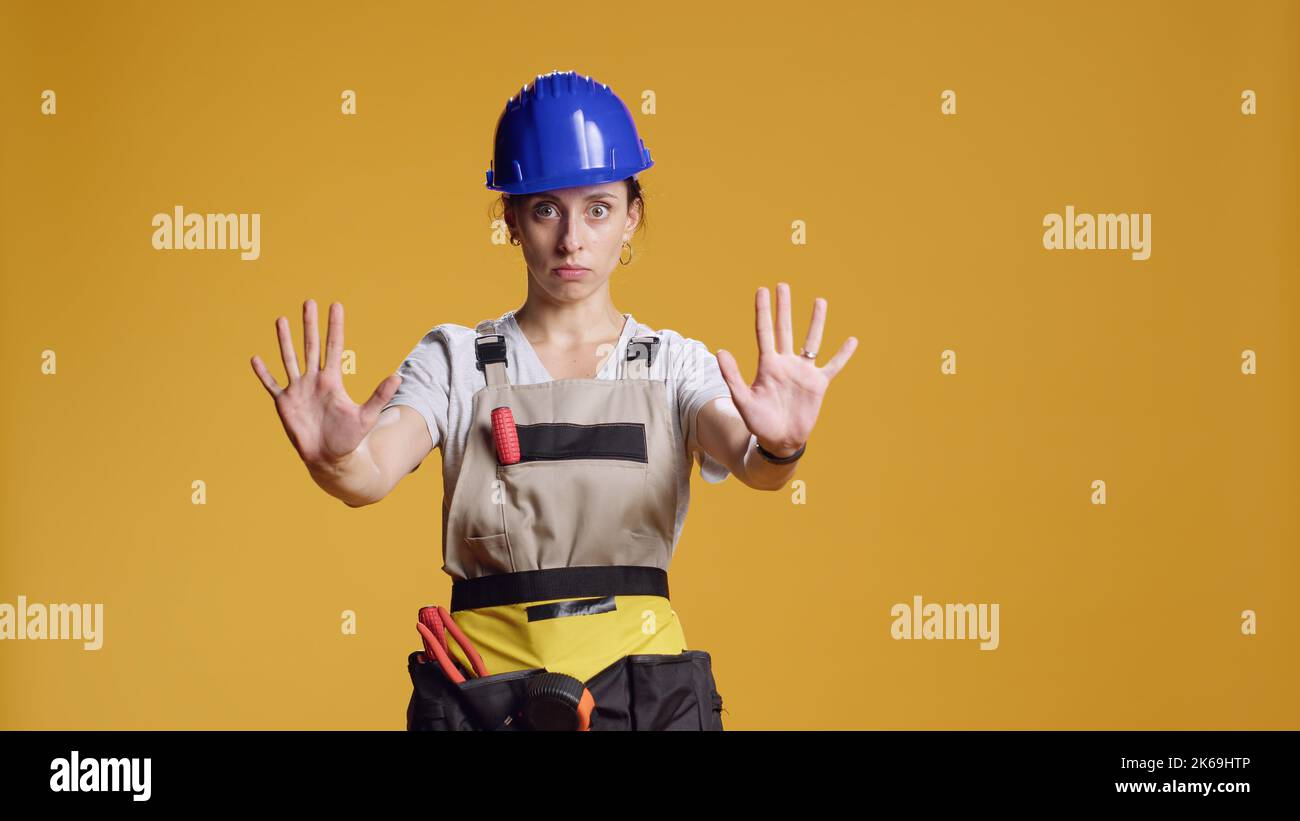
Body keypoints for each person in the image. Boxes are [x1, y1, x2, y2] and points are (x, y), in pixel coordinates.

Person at [250, 70, 857, 730]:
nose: (572, 239)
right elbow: (367, 473)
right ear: (511, 219)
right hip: (486, 697)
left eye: (597, 209)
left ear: (632, 217)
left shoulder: (675, 364)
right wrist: (332, 459)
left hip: (645, 699)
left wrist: (782, 444)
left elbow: (753, 463)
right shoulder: (455, 361)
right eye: (546, 209)